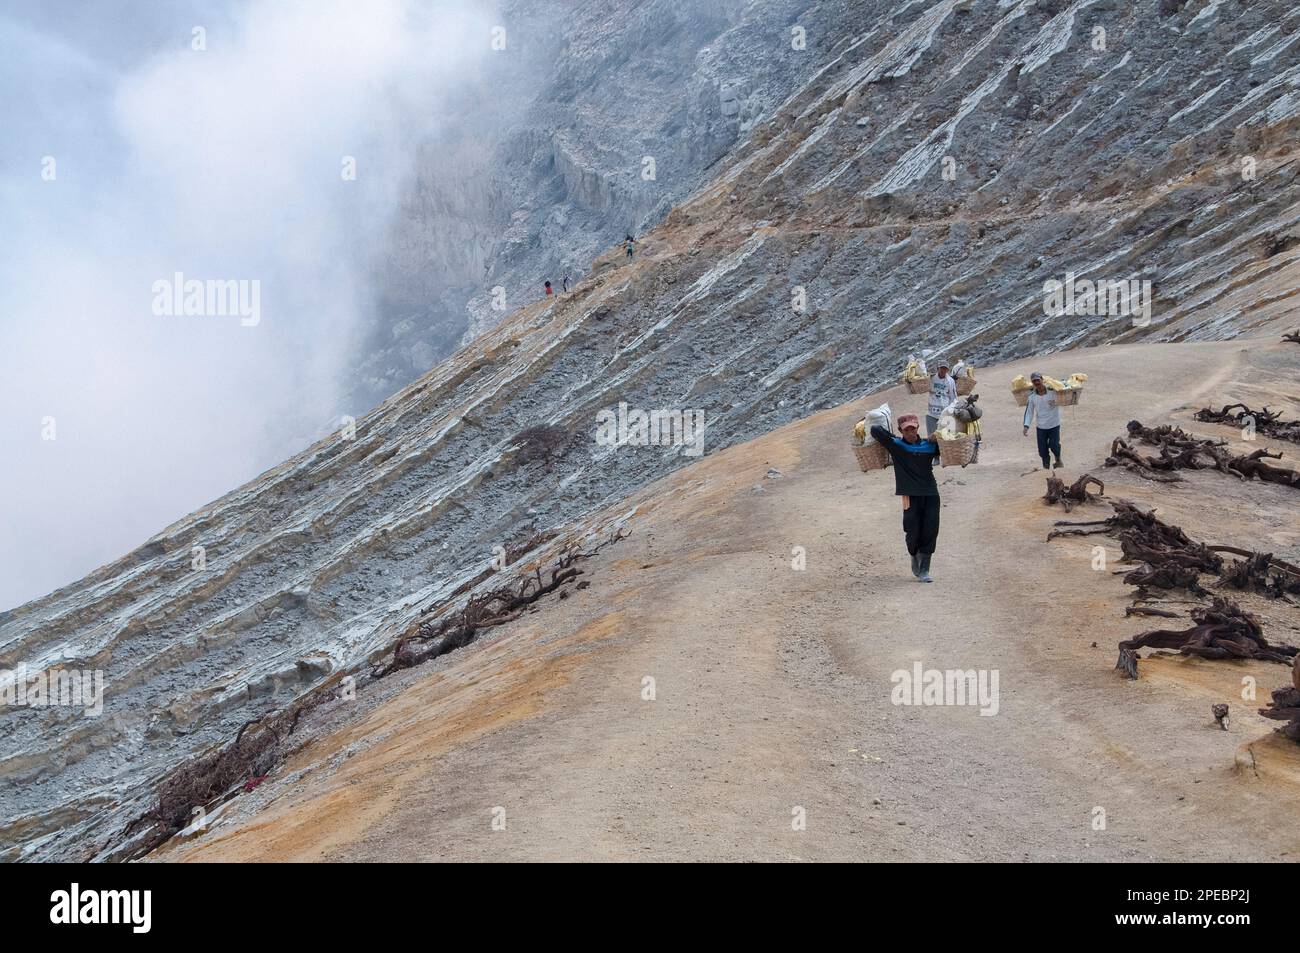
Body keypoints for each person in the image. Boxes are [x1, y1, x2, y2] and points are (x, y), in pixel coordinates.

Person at [869, 413, 942, 582]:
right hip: (910, 495)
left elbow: (948, 441)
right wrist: (892, 436)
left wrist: (937, 437)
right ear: (901, 430)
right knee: (912, 528)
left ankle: (924, 569)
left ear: (918, 428)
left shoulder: (929, 445)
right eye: (906, 429)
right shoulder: (896, 445)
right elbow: (874, 429)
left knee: (931, 529)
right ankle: (914, 554)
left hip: (930, 492)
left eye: (913, 428)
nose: (910, 432)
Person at [1022, 371, 1062, 469]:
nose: (1036, 383)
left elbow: (1063, 396)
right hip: (1041, 427)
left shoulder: (1053, 392)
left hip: (1054, 425)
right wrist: (1026, 426)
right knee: (1042, 450)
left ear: (1042, 380)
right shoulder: (1032, 397)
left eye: (1038, 380)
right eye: (1034, 381)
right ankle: (1046, 468)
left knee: (1054, 445)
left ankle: (1058, 459)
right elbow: (1029, 412)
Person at [926, 359, 957, 437]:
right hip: (931, 414)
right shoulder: (931, 378)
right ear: (938, 368)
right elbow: (923, 386)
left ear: (947, 370)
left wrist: (953, 410)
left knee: (945, 437)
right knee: (932, 437)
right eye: (941, 368)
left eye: (945, 368)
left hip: (944, 413)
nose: (943, 370)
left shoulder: (950, 381)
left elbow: (953, 396)